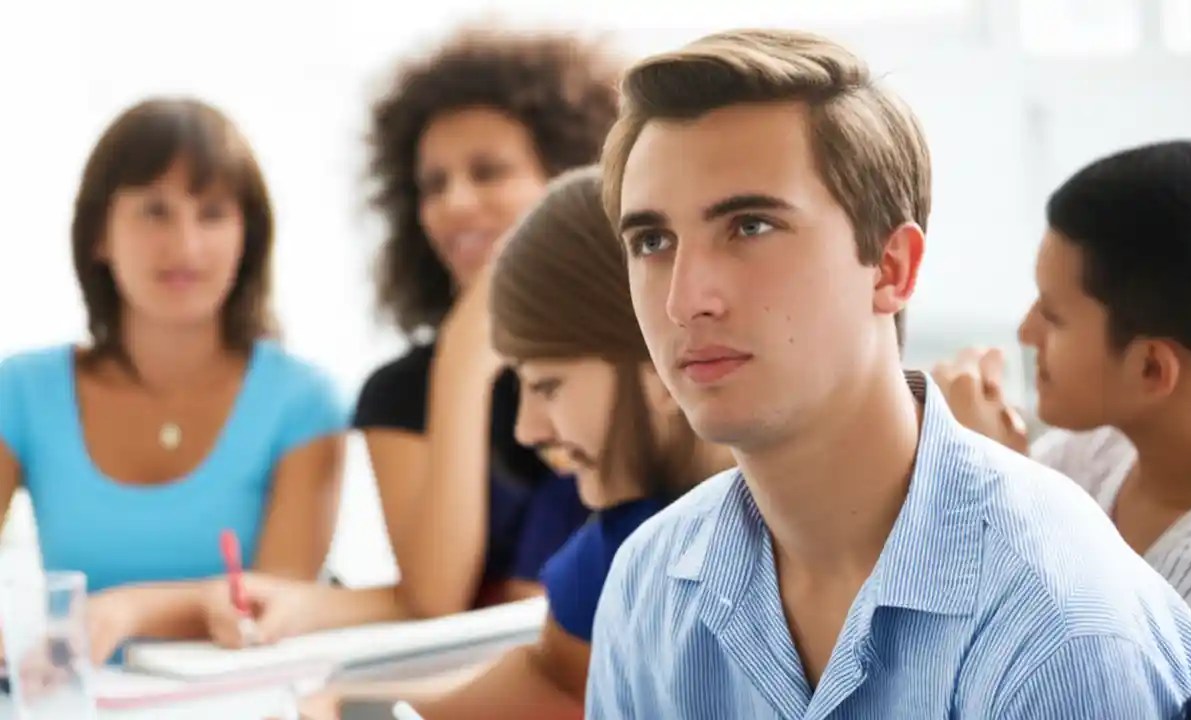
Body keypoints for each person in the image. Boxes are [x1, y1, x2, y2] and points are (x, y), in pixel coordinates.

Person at [586, 28, 1191, 719]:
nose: (684, 300)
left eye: (750, 227)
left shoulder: (1062, 625)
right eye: (652, 242)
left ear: (892, 269)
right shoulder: (649, 583)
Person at [199, 28, 622, 645]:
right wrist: (461, 363)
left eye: (488, 172)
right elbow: (435, 596)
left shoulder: (650, 355)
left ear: (571, 179)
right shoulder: (400, 393)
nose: (454, 203)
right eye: (433, 184)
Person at [290, 166, 732, 720]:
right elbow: (552, 678)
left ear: (666, 361)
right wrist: (360, 707)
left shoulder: (804, 540)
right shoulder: (616, 548)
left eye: (548, 385)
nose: (529, 429)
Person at [0, 98, 348, 665]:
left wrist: (127, 610)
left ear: (247, 238)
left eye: (212, 213)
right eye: (154, 211)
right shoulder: (21, 390)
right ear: (99, 236)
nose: (185, 244)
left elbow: (281, 603)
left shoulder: (304, 401)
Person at [932, 140, 1191, 683]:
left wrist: (993, 483)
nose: (1026, 332)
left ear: (1151, 370)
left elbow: (1056, 687)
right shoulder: (1104, 448)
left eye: (1053, 316)